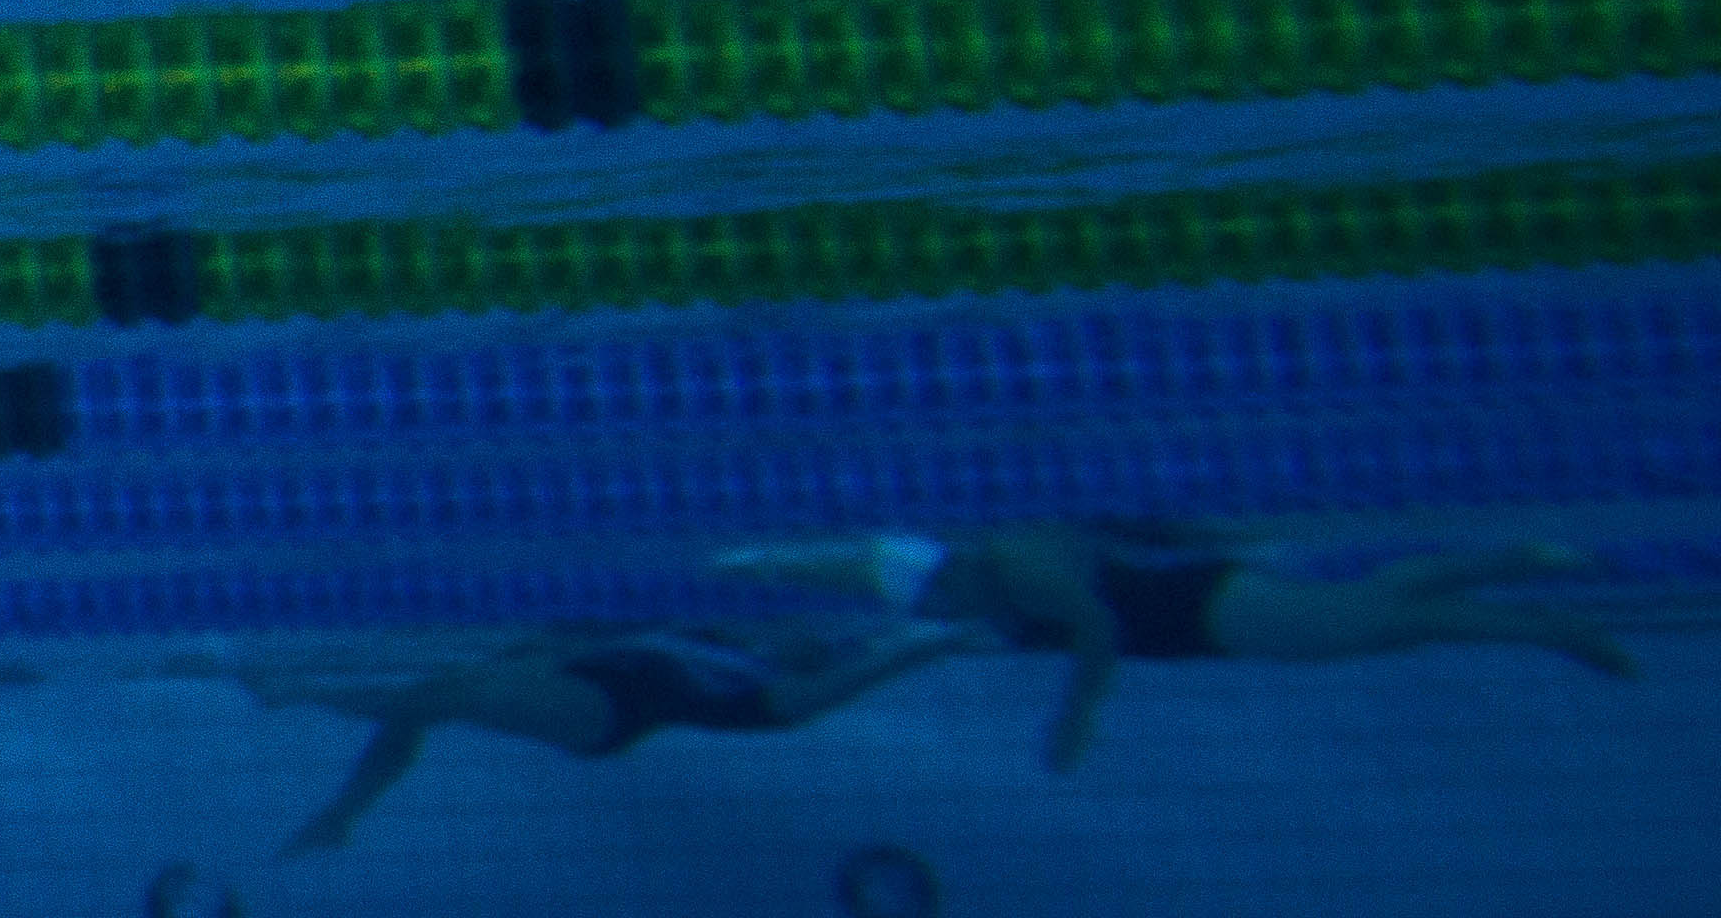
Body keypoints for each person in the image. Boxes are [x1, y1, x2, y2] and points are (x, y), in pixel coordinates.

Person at [863, 521, 1639, 766]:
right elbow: (1121, 527)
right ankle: (1515, 563)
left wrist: (1076, 718)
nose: (951, 606)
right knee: (1367, 616)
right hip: (1211, 604)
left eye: (942, 593)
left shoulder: (1019, 573)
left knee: (1375, 626)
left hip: (1211, 614)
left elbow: (1098, 626)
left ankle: (1552, 627)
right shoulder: (1005, 564)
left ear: (948, 571)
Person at [210, 624, 957, 852]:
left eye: (814, 652)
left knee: (445, 696)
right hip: (589, 671)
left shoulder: (771, 694)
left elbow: (840, 687)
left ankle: (288, 693)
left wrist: (936, 647)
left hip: (607, 714)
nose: (804, 651)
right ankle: (342, 810)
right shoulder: (734, 642)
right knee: (432, 701)